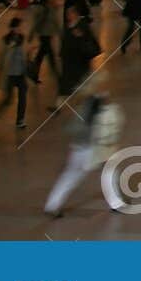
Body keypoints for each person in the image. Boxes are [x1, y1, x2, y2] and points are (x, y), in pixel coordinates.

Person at [43, 74, 124, 218]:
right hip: (93, 149)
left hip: (78, 147)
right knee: (109, 170)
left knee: (70, 175)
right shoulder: (100, 107)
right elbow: (106, 130)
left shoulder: (83, 106)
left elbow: (73, 126)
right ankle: (115, 203)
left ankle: (52, 204)